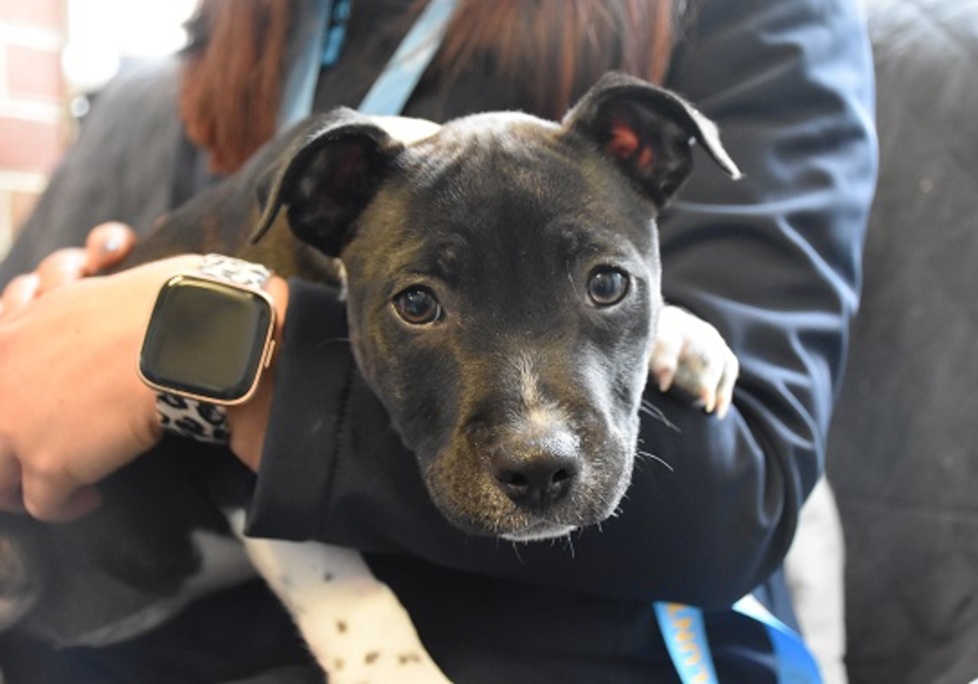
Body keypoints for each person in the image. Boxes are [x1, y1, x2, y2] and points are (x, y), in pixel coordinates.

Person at [0, 0, 877, 681]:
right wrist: (77, 314)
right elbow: (197, 271)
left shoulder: (741, 24)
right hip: (154, 614)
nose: (540, 433)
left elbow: (746, 493)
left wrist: (193, 348)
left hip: (560, 647)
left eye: (608, 282)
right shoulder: (242, 42)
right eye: (423, 301)